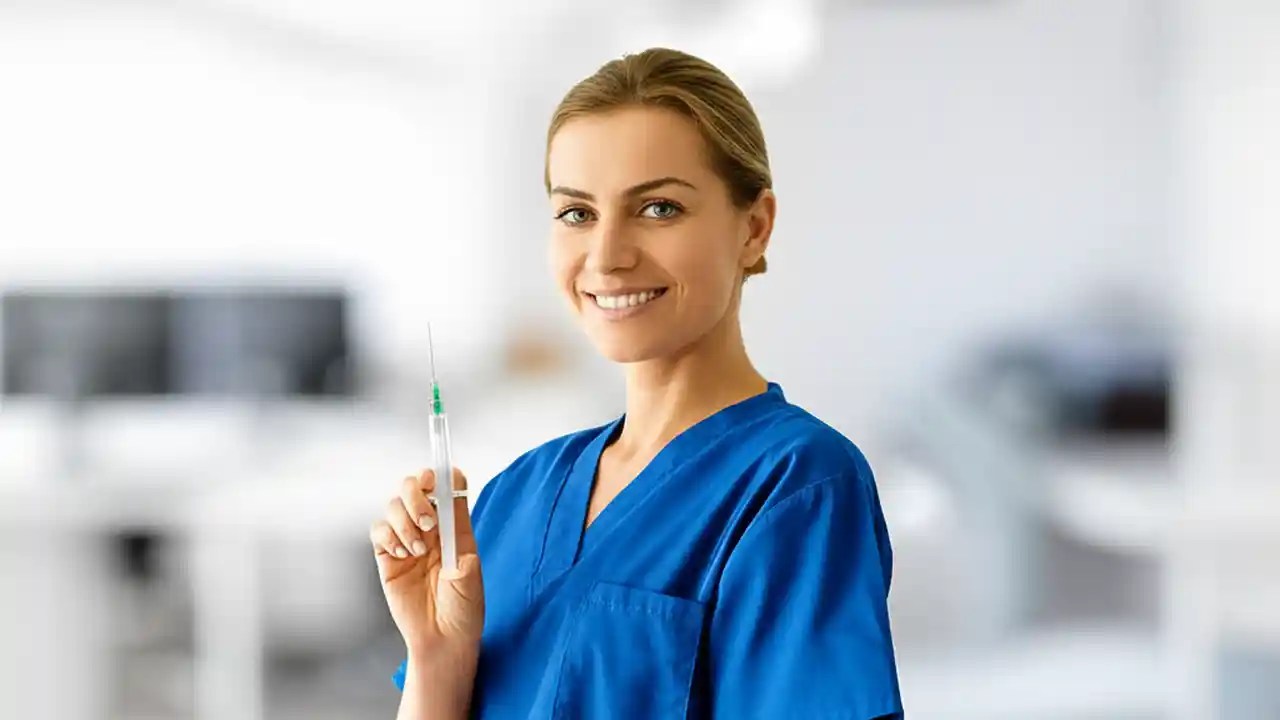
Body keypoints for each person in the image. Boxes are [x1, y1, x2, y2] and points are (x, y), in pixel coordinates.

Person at [370, 47, 903, 719]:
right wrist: (436, 658)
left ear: (754, 227)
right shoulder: (515, 494)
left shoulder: (796, 486)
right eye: (577, 214)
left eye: (657, 208)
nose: (607, 255)